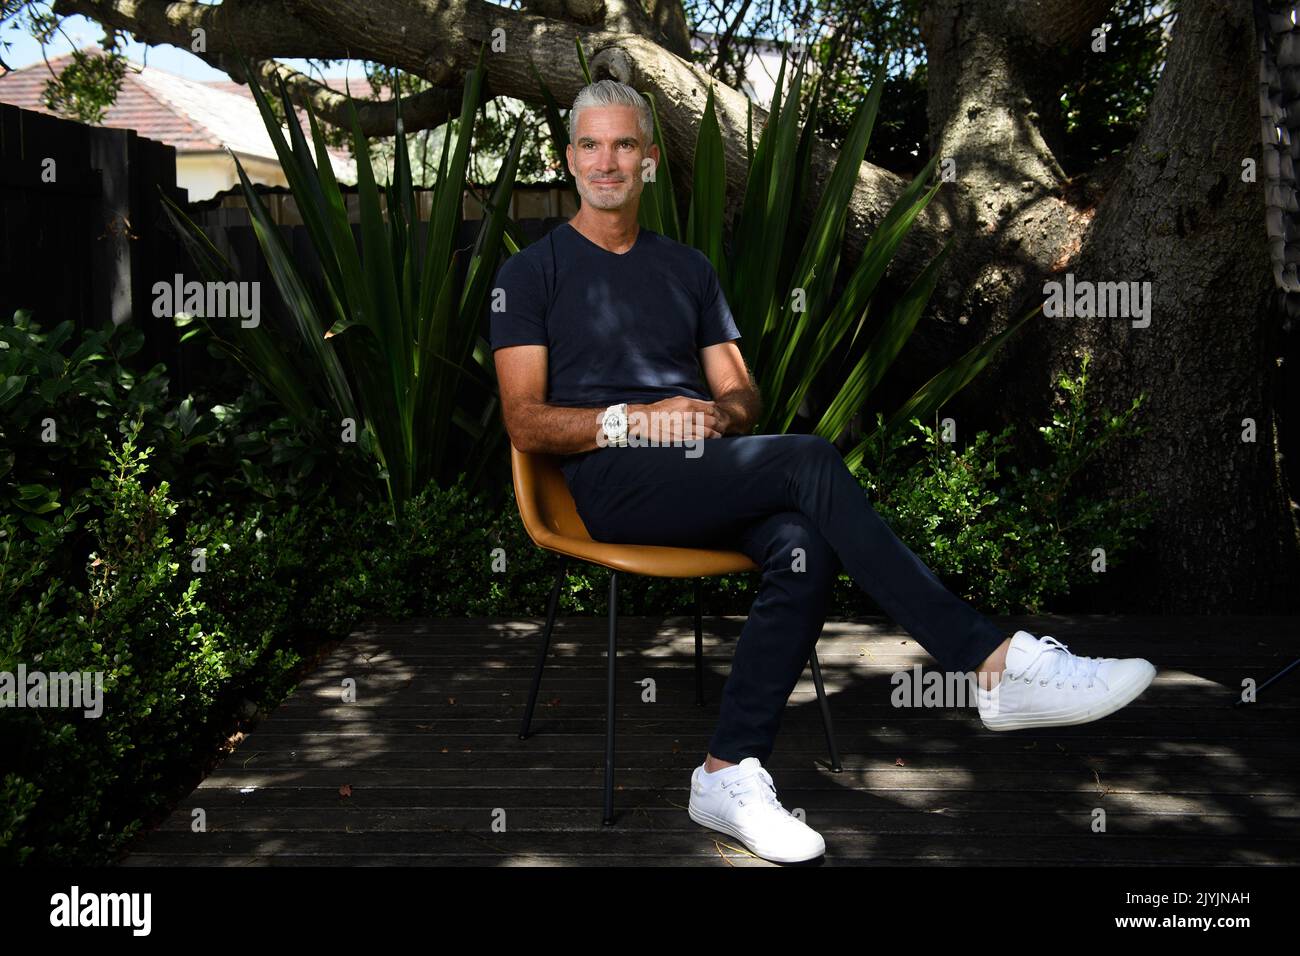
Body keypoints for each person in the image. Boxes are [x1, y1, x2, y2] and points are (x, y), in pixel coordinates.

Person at [489, 79, 1157, 864]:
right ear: (569, 159)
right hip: (609, 485)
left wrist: (715, 415)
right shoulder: (530, 275)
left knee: (800, 542)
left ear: (650, 162)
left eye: (625, 144)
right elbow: (524, 421)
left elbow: (741, 392)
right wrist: (629, 420)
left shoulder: (689, 270)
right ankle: (993, 661)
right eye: (592, 145)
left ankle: (726, 771)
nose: (608, 161)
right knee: (807, 456)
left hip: (700, 467)